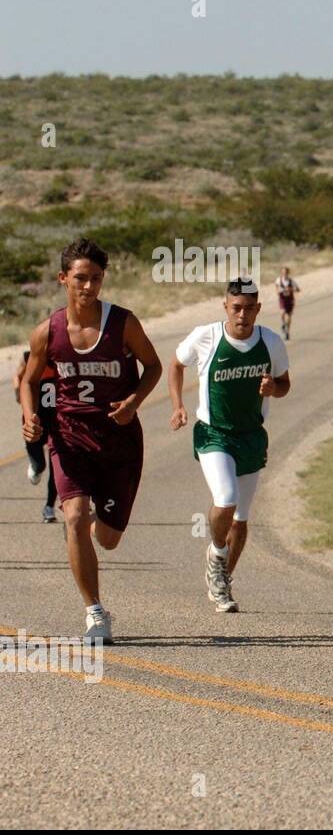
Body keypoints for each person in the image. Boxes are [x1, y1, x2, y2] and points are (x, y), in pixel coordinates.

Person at [19, 238, 163, 643]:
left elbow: (152, 365)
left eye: (96, 278)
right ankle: (95, 613)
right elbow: (30, 381)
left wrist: (134, 400)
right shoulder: (47, 331)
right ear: (63, 278)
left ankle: (99, 520)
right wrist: (30, 419)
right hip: (69, 437)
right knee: (75, 518)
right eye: (80, 278)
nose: (89, 286)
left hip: (119, 442)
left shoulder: (123, 323)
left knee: (109, 539)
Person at [169, 279, 290, 613]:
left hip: (251, 435)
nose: (242, 315)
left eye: (249, 308)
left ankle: (221, 582)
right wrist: (178, 404)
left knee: (241, 518)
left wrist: (272, 388)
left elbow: (285, 384)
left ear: (258, 309)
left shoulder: (270, 342)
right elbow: (177, 364)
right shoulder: (206, 336)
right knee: (226, 499)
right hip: (214, 433)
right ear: (226, 307)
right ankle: (217, 552)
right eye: (236, 308)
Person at [13, 350, 58, 522]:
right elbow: (18, 376)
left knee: (57, 467)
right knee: (40, 466)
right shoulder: (29, 358)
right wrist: (18, 392)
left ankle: (49, 507)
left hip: (57, 422)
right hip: (33, 422)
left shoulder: (63, 361)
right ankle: (36, 467)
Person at [275, 267, 300, 340]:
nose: (284, 274)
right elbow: (276, 288)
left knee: (289, 316)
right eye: (283, 272)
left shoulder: (291, 281)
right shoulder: (279, 280)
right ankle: (283, 323)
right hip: (283, 299)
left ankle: (287, 332)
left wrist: (290, 289)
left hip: (290, 300)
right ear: (281, 273)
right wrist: (279, 291)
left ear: (288, 273)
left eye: (285, 272)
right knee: (282, 312)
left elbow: (298, 289)